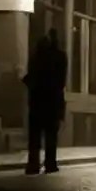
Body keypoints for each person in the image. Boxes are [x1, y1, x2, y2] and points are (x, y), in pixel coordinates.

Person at [22, 28, 68, 175]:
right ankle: (50, 163)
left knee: (35, 136)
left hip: (37, 101)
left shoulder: (37, 57)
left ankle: (33, 164)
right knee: (51, 135)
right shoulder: (60, 57)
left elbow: (30, 78)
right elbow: (61, 81)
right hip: (52, 101)